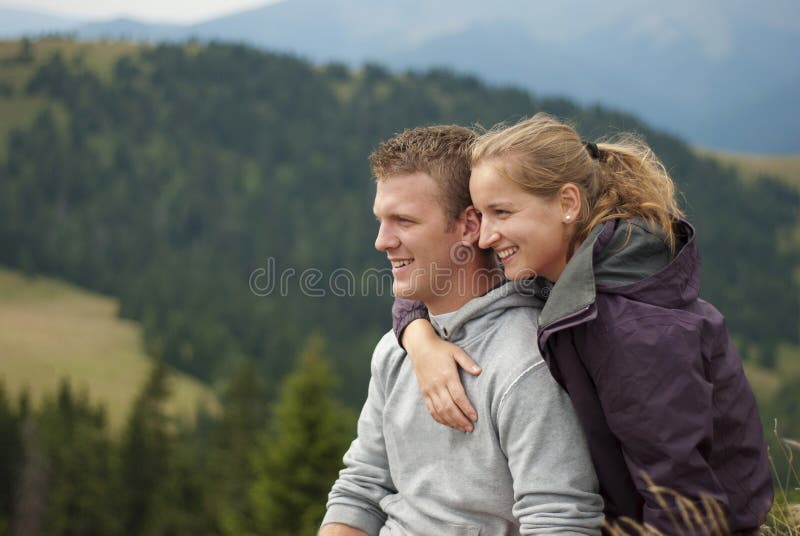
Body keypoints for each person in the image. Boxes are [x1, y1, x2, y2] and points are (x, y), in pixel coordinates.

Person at [393, 113, 774, 534]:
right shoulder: (554, 267)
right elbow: (435, 282)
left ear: (568, 204)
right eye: (482, 215)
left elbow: (684, 505)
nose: (485, 237)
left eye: (501, 212)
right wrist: (420, 340)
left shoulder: (634, 330)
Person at [320, 125, 604, 535]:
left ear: (470, 226)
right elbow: (361, 490)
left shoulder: (527, 363)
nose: (382, 241)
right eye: (381, 220)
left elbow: (559, 520)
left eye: (403, 221)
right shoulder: (398, 348)